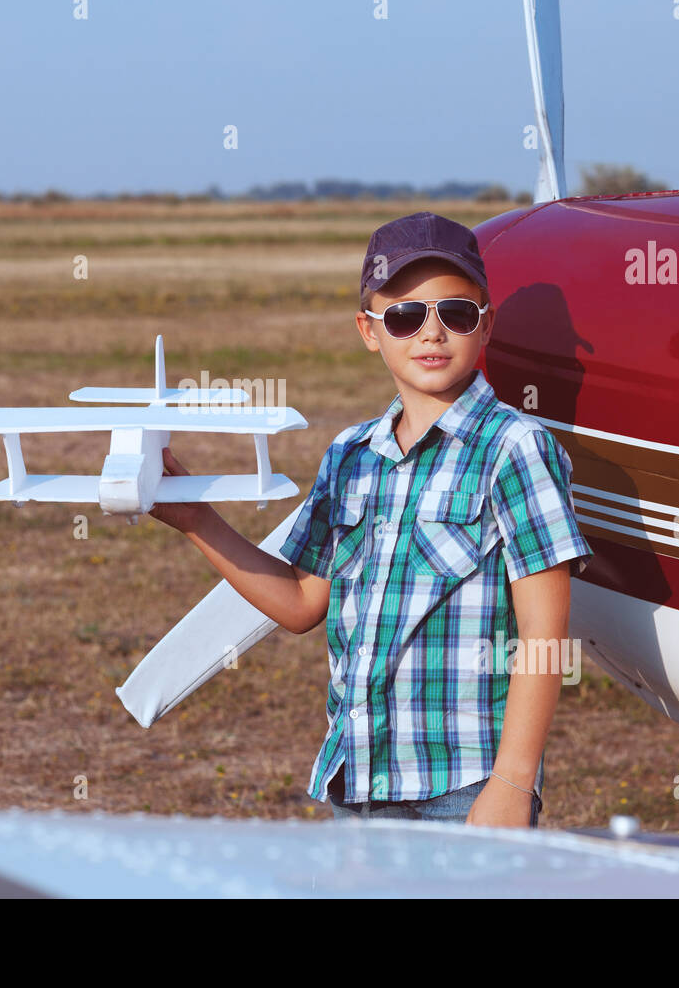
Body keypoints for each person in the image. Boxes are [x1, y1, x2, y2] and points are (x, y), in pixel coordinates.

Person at [149, 211, 593, 827]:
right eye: (406, 317)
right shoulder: (351, 455)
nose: (431, 334)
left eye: (456, 313)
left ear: (485, 326)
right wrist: (196, 519)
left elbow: (544, 639)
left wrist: (513, 783)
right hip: (355, 781)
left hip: (463, 787)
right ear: (368, 330)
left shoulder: (515, 450)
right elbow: (305, 602)